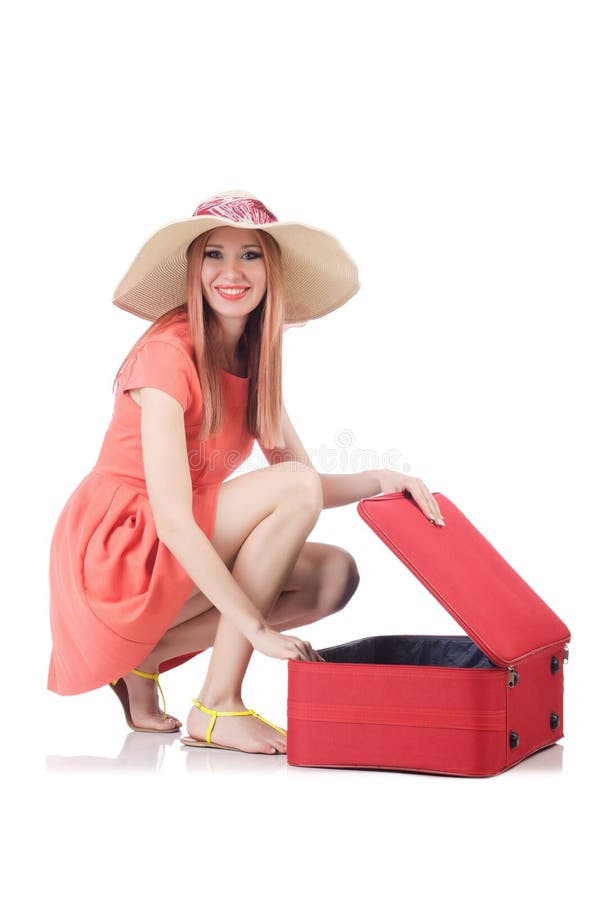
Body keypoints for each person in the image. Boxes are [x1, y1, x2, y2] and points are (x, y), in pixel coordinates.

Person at [47, 189, 445, 756]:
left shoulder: (254, 359)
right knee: (291, 493)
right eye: (214, 254)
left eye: (250, 255)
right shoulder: (165, 357)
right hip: (122, 550)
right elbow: (176, 521)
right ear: (193, 267)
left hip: (170, 544)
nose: (231, 271)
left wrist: (381, 479)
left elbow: (302, 484)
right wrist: (257, 631)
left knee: (334, 575)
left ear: (270, 271)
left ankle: (144, 657)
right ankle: (218, 705)